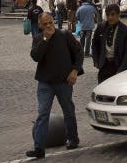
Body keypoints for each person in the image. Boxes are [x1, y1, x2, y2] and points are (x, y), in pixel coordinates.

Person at [26, 12, 83, 158]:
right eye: (45, 24)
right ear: (40, 25)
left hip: (64, 81)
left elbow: (78, 52)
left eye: (50, 22)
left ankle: (73, 139)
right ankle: (39, 148)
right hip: (45, 83)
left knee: (68, 110)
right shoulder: (38, 38)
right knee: (43, 114)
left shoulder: (65, 35)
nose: (48, 26)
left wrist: (75, 70)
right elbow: (35, 57)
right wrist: (45, 39)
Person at [92, 4, 127, 83]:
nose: (110, 17)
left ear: (118, 15)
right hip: (104, 65)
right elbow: (94, 45)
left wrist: (122, 69)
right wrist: (96, 61)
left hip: (118, 65)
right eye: (107, 15)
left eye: (112, 14)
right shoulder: (101, 28)